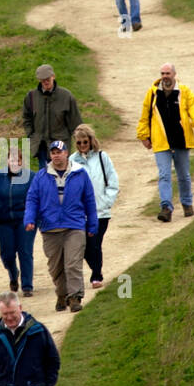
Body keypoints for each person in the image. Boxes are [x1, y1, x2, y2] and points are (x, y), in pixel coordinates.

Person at [24, 139, 97, 313]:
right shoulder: (41, 177)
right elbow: (32, 199)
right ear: (50, 155)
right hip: (50, 228)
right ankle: (62, 294)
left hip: (75, 226)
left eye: (60, 152)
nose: (56, 155)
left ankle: (75, 297)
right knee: (56, 267)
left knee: (73, 264)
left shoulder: (80, 173)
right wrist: (29, 219)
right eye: (53, 153)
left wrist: (92, 224)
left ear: (66, 153)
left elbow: (89, 199)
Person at [136, 62, 194, 222]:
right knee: (164, 175)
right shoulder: (153, 93)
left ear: (174, 74)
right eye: (162, 73)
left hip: (181, 140)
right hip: (161, 142)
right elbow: (144, 116)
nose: (165, 77)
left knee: (183, 176)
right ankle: (166, 208)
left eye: (167, 73)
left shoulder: (184, 91)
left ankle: (187, 204)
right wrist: (143, 136)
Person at [70, 123, 119, 289]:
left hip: (100, 212)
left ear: (91, 141)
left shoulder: (102, 157)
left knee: (95, 243)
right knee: (83, 246)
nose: (82, 145)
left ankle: (96, 275)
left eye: (85, 142)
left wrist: (105, 202)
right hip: (80, 214)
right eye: (79, 143)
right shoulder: (72, 161)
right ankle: (95, 270)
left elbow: (112, 181)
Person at [0, 144, 35, 297]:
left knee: (25, 251)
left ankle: (27, 285)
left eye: (17, 160)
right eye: (11, 160)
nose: (14, 163)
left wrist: (36, 219)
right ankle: (14, 274)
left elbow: (36, 199)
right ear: (7, 161)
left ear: (21, 162)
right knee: (7, 254)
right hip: (4, 221)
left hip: (24, 221)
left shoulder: (31, 177)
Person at [22, 64, 81, 169]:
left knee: (62, 177)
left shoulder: (67, 96)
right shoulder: (31, 97)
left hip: (61, 147)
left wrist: (80, 142)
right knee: (45, 178)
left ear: (53, 76)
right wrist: (31, 135)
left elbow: (75, 122)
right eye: (42, 80)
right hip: (41, 147)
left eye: (48, 79)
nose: (46, 82)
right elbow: (27, 118)